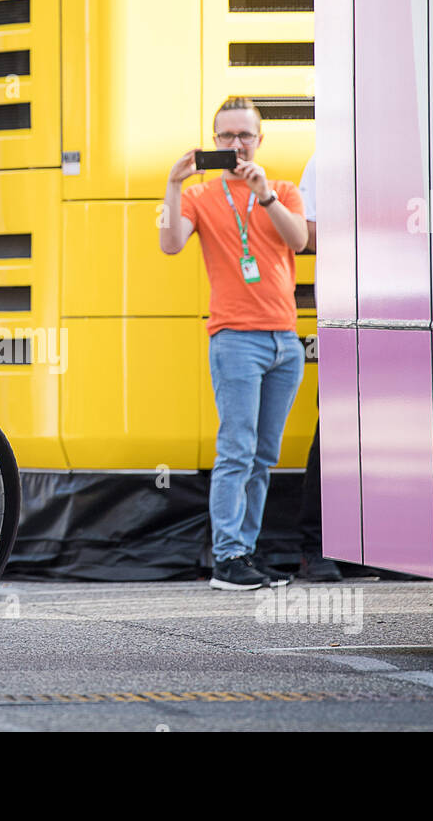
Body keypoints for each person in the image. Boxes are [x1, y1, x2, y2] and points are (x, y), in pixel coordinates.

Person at [161, 97, 308, 591]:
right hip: (235, 339)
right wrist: (175, 182)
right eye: (226, 137)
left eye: (245, 136)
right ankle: (227, 557)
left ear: (260, 141)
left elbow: (299, 241)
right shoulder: (201, 196)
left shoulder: (283, 189)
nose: (236, 145)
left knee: (264, 455)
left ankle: (244, 551)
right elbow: (170, 242)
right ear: (214, 142)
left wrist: (264, 193)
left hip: (284, 341)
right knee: (237, 450)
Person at [294, 154, 343, 582]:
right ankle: (316, 546)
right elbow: (306, 234)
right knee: (334, 426)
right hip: (348, 308)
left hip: (421, 302)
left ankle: (390, 546)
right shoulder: (331, 151)